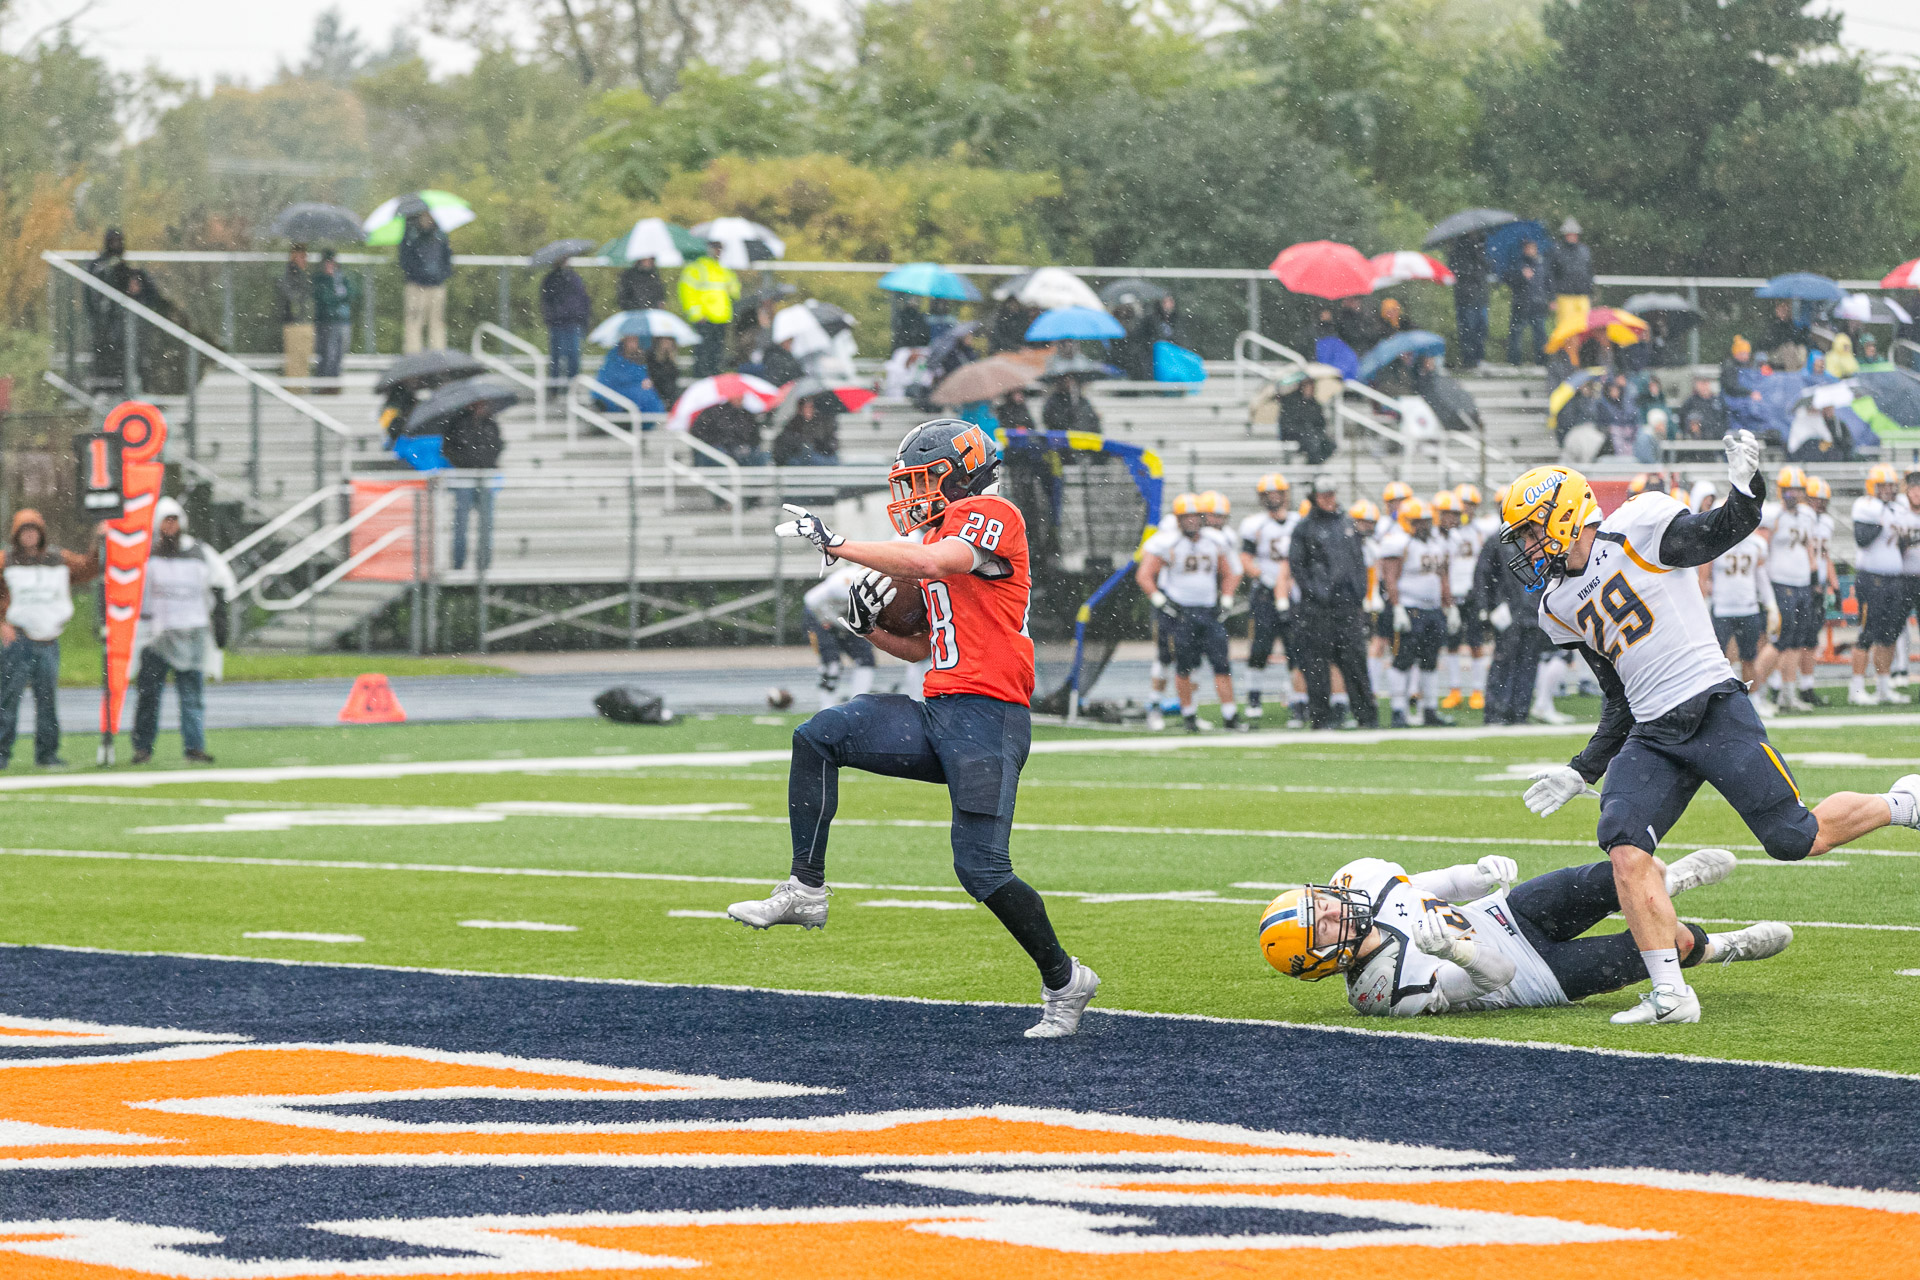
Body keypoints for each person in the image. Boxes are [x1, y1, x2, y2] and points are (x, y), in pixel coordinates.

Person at [1503, 447, 1920, 1025]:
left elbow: (1717, 531)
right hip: (1653, 735)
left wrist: (1746, 493)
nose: (1525, 548)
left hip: (1714, 709)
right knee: (1624, 847)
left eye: (1528, 533)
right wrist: (1583, 768)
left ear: (1564, 514)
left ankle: (1902, 803)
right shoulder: (1557, 603)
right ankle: (1671, 994)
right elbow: (1617, 696)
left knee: (1795, 839)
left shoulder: (1635, 530)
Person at [740, 419, 1100, 1039]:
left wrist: (839, 545)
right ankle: (805, 887)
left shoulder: (995, 512)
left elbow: (936, 559)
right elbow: (918, 650)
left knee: (982, 871)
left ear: (961, 470)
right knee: (818, 735)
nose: (913, 493)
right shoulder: (942, 530)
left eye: (924, 478)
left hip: (990, 718)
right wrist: (867, 628)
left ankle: (1065, 980)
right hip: (940, 710)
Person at [1258, 850, 1789, 1016]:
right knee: (1673, 944)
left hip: (1508, 914)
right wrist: (1456, 949)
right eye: (1323, 924)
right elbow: (1499, 974)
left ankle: (1671, 880)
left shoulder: (1360, 881)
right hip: (1537, 978)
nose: (1333, 908)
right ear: (1324, 960)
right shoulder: (1382, 990)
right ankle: (1725, 947)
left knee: (1613, 875)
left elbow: (1429, 883)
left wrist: (1478, 875)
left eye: (1320, 904)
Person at [131, 498, 235, 766]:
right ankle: (143, 748)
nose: (170, 526)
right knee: (149, 696)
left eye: (174, 521)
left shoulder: (199, 552)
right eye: (165, 521)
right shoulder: (146, 553)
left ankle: (194, 746)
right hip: (156, 635)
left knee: (191, 695)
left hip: (192, 634)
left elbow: (220, 583)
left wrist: (221, 619)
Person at [0, 511, 102, 769]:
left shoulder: (59, 560)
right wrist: (2, 623)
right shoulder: (6, 561)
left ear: (42, 533)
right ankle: (2, 753)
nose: (30, 536)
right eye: (25, 531)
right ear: (16, 535)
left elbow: (88, 568)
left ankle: (47, 753)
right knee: (8, 699)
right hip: (18, 639)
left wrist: (98, 542)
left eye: (34, 530)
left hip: (48, 640)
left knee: (47, 701)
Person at [1136, 493, 1245, 732]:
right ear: (1177, 519)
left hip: (1207, 611)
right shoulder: (1168, 541)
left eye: (1196, 517)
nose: (1191, 522)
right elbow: (1145, 574)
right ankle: (1184, 714)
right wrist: (1160, 599)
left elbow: (1231, 571)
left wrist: (1226, 597)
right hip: (1180, 612)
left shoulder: (1215, 540)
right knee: (1180, 664)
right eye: (1186, 517)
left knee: (1221, 663)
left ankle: (1230, 715)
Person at [1290, 476, 1378, 729]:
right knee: (1317, 665)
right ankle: (1321, 718)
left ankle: (1367, 717)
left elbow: (1358, 563)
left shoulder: (1346, 525)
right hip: (1318, 609)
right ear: (1315, 498)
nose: (1329, 499)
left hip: (1347, 607)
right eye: (1324, 495)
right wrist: (1316, 593)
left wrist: (1359, 594)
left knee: (1355, 663)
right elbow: (1298, 567)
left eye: (1332, 494)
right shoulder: (1304, 528)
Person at [1378, 497, 1455, 727]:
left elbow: (1443, 576)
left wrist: (1449, 606)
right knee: (1402, 659)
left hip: (1432, 609)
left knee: (1430, 661)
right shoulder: (1398, 541)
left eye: (1425, 521)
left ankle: (1429, 709)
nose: (1422, 525)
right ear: (1405, 520)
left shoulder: (1437, 543)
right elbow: (1390, 578)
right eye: (1417, 521)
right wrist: (1397, 607)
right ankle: (1398, 711)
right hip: (1409, 609)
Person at [1698, 490, 1779, 710]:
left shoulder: (1756, 544)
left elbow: (1761, 578)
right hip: (1722, 608)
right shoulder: (1715, 542)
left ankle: (1753, 700)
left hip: (1748, 607)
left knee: (1749, 657)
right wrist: (1703, 606)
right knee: (1720, 659)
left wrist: (1771, 605)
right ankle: (1719, 703)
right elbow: (1704, 577)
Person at [1239, 474, 1302, 728]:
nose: (1273, 498)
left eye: (1277, 493)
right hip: (1265, 594)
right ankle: (1254, 699)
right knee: (1260, 648)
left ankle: (1298, 700)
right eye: (1268, 494)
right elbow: (1245, 558)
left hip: (1294, 593)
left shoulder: (1299, 522)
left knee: (1295, 650)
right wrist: (1263, 577)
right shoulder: (1255, 524)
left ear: (1285, 494)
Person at [1475, 506, 1548, 725]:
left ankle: (1519, 711)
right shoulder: (1497, 540)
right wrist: (1487, 607)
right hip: (1508, 611)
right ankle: (1496, 711)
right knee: (1504, 661)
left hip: (1533, 610)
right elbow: (1483, 574)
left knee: (1528, 663)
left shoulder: (1539, 538)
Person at [1759, 466, 1823, 711]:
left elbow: (1809, 549)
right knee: (1779, 640)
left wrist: (1815, 580)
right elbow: (1761, 550)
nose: (1794, 494)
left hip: (1802, 584)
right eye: (1790, 490)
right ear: (1781, 490)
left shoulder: (1807, 515)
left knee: (1796, 641)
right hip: (1780, 583)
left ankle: (1787, 694)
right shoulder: (1773, 514)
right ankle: (1758, 694)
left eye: (1798, 490)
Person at [1847, 464, 1910, 706]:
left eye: (1890, 486)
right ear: (1872, 487)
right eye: (1882, 486)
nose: (1887, 490)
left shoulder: (1896, 507)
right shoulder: (1866, 506)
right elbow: (1863, 539)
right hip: (1871, 580)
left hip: (1893, 580)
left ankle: (1884, 688)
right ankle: (1857, 689)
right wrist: (1883, 519)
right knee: (1867, 634)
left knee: (1889, 635)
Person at [1438, 487, 1487, 713]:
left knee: (1476, 642)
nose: (1467, 509)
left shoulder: (1478, 530)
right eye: (1463, 504)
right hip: (1452, 594)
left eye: (1471, 505)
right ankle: (1454, 689)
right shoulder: (1444, 535)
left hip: (1471, 592)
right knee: (1452, 644)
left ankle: (1477, 690)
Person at [801, 563, 874, 710]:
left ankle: (859, 705)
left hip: (845, 621)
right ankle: (826, 707)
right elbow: (812, 604)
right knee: (831, 662)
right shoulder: (837, 586)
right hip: (821, 618)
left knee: (866, 659)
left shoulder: (868, 583)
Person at [443, 403, 506, 572]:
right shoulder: (458, 423)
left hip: (484, 476)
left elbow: (497, 446)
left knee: (486, 523)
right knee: (461, 522)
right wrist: (464, 462)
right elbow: (448, 448)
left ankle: (483, 564)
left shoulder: (491, 424)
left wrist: (486, 463)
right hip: (465, 477)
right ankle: (458, 562)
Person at [679, 240, 740, 379]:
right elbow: (687, 292)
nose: (718, 252)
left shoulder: (723, 269)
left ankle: (713, 378)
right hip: (704, 318)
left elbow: (735, 291)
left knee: (716, 353)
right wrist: (697, 313)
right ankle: (701, 379)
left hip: (721, 317)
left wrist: (733, 284)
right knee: (703, 353)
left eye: (720, 249)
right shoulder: (697, 268)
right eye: (716, 248)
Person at [85, 228, 133, 391]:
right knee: (103, 354)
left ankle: (119, 384)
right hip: (102, 322)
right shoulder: (98, 266)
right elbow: (91, 295)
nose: (116, 245)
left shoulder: (125, 267)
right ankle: (102, 386)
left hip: (119, 322)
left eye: (119, 241)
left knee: (119, 354)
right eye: (113, 241)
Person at [399, 213, 452, 354]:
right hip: (417, 286)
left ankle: (437, 355)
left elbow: (447, 259)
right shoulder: (412, 234)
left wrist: (440, 275)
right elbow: (405, 260)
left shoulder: (439, 234)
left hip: (435, 284)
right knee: (414, 322)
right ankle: (414, 355)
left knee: (436, 322)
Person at [1544, 218, 1594, 366]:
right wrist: (1551, 297)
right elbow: (1550, 275)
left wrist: (1590, 292)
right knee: (1566, 330)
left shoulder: (1584, 250)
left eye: (1574, 233)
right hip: (1564, 296)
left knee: (1583, 329)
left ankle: (1580, 358)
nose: (1572, 236)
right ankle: (1566, 359)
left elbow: (1589, 272)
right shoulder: (1556, 250)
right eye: (1569, 233)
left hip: (1582, 296)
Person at [540, 260, 592, 388]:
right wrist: (552, 317)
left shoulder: (574, 278)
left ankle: (571, 388)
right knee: (556, 358)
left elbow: (583, 300)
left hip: (573, 322)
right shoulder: (551, 280)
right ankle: (555, 388)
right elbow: (546, 301)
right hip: (558, 323)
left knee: (573, 357)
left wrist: (582, 318)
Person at [311, 251, 358, 390]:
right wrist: (338, 298)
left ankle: (335, 384)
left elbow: (352, 293)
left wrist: (338, 298)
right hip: (326, 321)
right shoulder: (320, 280)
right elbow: (325, 299)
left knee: (339, 353)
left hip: (342, 320)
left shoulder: (342, 278)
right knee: (327, 353)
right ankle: (324, 384)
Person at [592, 333, 665, 415]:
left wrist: (646, 380)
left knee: (648, 396)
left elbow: (641, 375)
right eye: (631, 340)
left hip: (632, 396)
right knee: (642, 396)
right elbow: (611, 377)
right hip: (614, 393)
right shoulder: (614, 356)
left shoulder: (639, 357)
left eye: (635, 340)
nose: (633, 343)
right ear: (624, 341)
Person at [1504, 238, 1549, 366]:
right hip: (1521, 303)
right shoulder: (1517, 263)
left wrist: (1550, 299)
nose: (1530, 250)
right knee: (1516, 333)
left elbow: (1548, 281)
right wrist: (1521, 275)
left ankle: (1542, 361)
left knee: (1540, 334)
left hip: (1538, 304)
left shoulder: (1541, 263)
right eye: (1528, 247)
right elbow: (1508, 279)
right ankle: (1514, 361)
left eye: (1532, 247)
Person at [1448, 235, 1490, 368]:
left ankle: (1479, 357)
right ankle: (1469, 359)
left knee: (1481, 327)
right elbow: (1458, 272)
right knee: (1468, 329)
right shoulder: (1458, 251)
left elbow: (1487, 268)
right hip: (1465, 298)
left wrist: (1479, 256)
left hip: (1480, 297)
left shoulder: (1482, 249)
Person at [771, 391, 841, 466]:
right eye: (806, 407)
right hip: (799, 457)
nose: (809, 410)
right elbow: (785, 445)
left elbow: (831, 443)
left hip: (820, 455)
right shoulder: (793, 423)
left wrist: (819, 444)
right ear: (800, 409)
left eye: (811, 407)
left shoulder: (823, 422)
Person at [277, 244, 314, 380]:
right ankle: (295, 386)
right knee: (296, 357)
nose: (305, 260)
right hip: (294, 322)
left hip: (300, 321)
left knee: (302, 356)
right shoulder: (291, 274)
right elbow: (292, 296)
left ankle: (300, 384)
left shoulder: (301, 274)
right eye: (302, 256)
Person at [690, 402, 767, 466]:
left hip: (739, 449)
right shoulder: (713, 413)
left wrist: (746, 446)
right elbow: (700, 432)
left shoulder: (746, 414)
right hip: (718, 449)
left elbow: (754, 436)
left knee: (757, 455)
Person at [1277, 378, 1334, 464]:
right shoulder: (1291, 402)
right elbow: (1287, 424)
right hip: (1295, 434)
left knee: (1329, 445)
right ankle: (1313, 467)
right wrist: (1304, 430)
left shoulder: (1315, 404)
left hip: (1312, 433)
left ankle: (1313, 465)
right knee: (1313, 443)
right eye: (1307, 386)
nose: (1309, 389)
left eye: (1311, 387)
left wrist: (1315, 431)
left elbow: (1321, 423)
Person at [1596, 374, 1638, 457]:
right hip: (1612, 432)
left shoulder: (1624, 401)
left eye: (1616, 390)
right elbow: (1604, 420)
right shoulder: (1603, 404)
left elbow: (1631, 414)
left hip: (1626, 430)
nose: (1615, 393)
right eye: (1612, 390)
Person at [1676, 375, 1727, 441]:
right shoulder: (1690, 402)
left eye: (1706, 383)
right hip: (1695, 439)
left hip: (1715, 437)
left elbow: (1724, 420)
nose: (1704, 387)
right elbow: (1682, 419)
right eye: (1701, 384)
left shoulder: (1718, 401)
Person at [646, 336, 682, 409]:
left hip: (670, 395)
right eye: (664, 340)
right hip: (656, 394)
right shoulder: (651, 356)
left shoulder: (670, 360)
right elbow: (656, 377)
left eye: (669, 340)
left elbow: (672, 380)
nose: (667, 343)